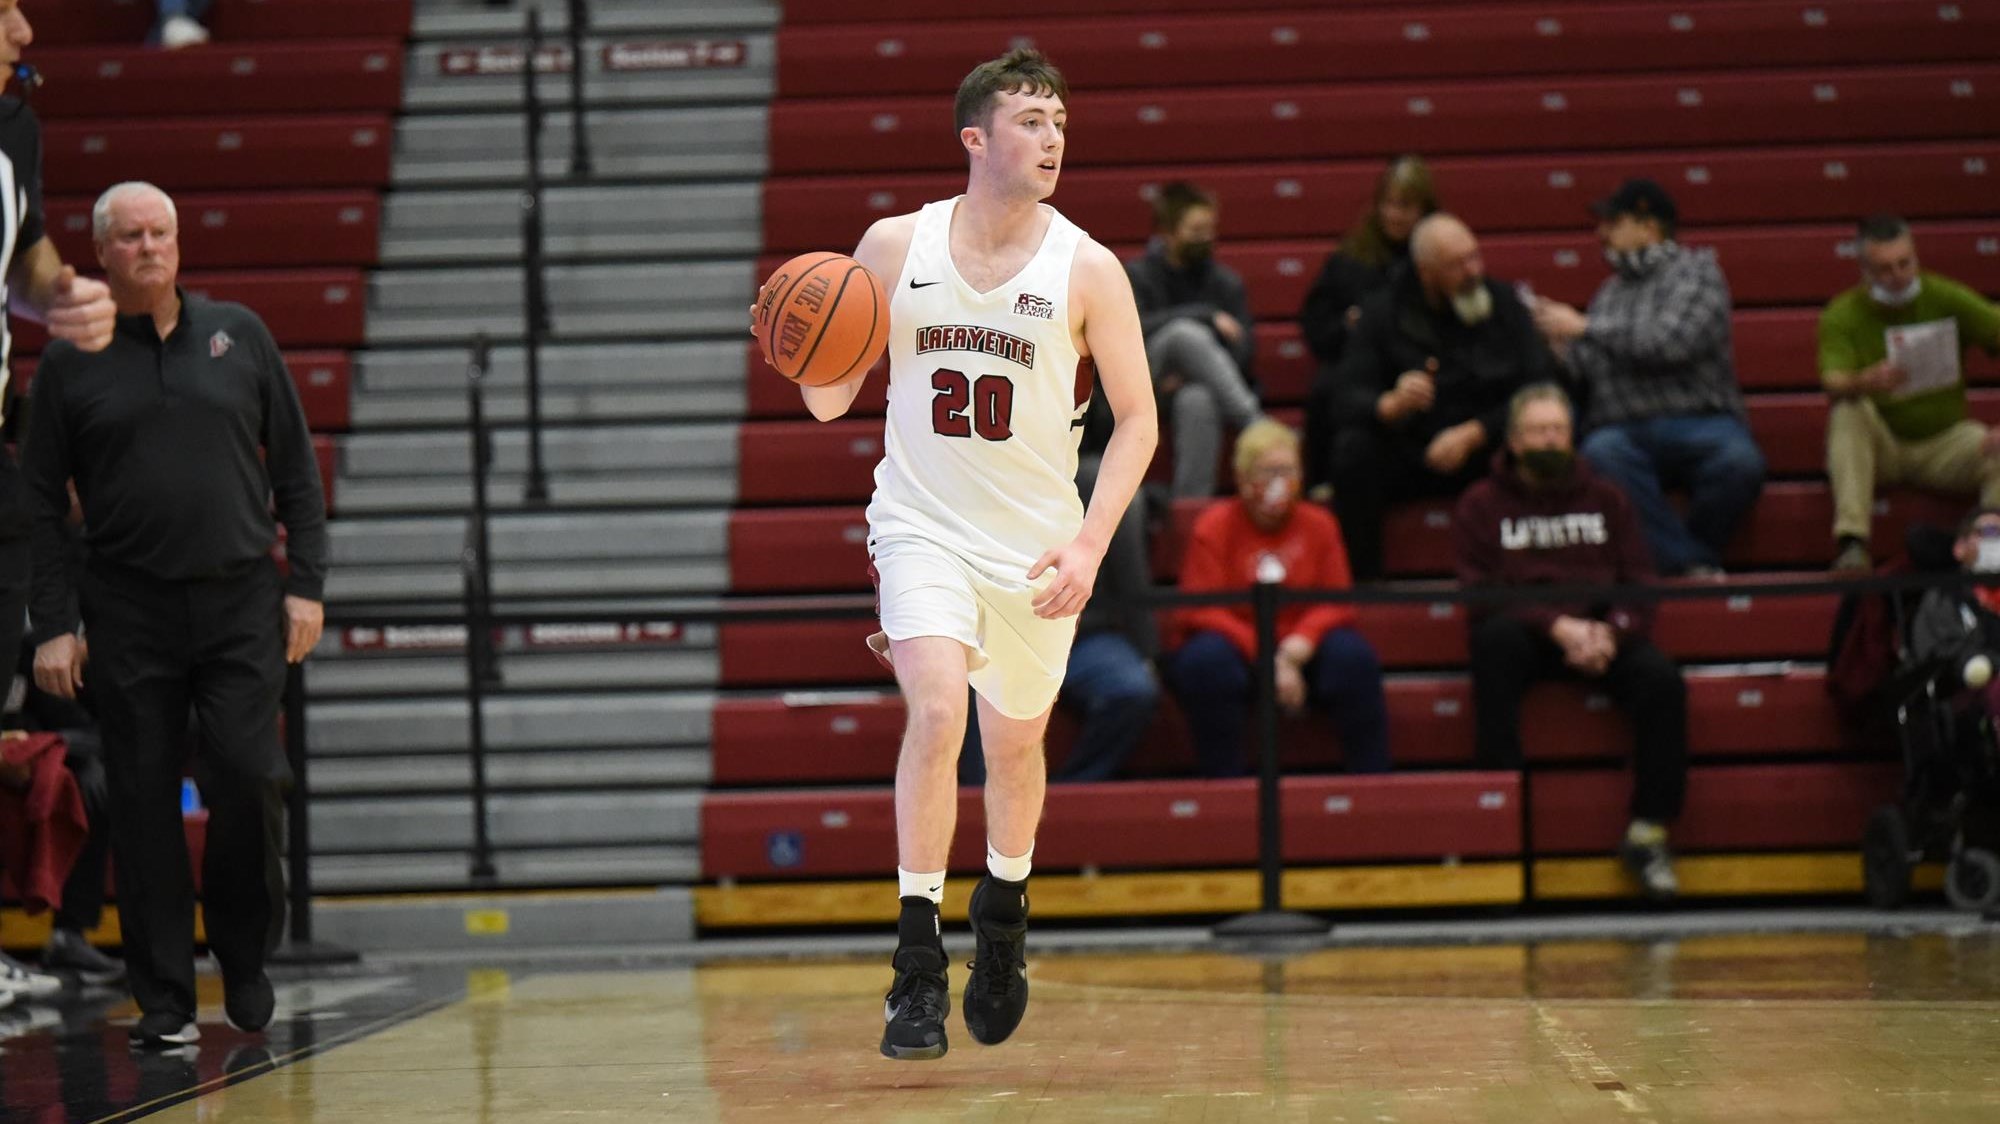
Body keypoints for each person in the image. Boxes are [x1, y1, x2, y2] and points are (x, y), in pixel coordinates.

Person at [776, 48, 1156, 1061]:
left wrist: (1088, 543)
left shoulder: (1087, 268)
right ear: (975, 139)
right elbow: (830, 400)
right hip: (919, 525)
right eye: (1031, 121)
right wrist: (802, 348)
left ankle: (1004, 913)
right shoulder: (894, 244)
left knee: (1017, 747)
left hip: (1034, 547)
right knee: (939, 709)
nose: (1052, 139)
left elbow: (1138, 421)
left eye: (1060, 124)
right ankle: (915, 961)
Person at [20, 182, 329, 1049]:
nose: (149, 247)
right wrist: (55, 622)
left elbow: (296, 472)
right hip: (127, 608)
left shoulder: (241, 335)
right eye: (130, 236)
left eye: (161, 232)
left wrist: (306, 584)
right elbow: (38, 503)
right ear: (101, 252)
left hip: (241, 602)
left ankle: (245, 956)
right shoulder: (69, 363)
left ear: (179, 242)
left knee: (249, 775)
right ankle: (163, 996)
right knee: (143, 798)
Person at [1454, 383, 1686, 900]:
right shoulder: (1480, 504)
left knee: (1662, 681)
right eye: (1538, 431)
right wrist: (1556, 625)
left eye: (1558, 430)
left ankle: (1648, 833)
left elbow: (1640, 583)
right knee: (1493, 642)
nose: (1549, 440)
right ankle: (1500, 828)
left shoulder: (1608, 498)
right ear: (1513, 441)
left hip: (1600, 631)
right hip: (1528, 635)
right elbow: (1481, 595)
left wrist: (1611, 631)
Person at [0, 0, 119, 1000]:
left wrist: (55, 295)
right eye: (6, 10)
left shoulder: (15, 126)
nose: (26, 32)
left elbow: (24, 254)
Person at [1531, 178, 1765, 578]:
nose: (1602, 233)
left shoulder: (1697, 274)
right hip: (1622, 429)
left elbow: (1670, 343)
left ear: (1649, 226)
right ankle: (1689, 563)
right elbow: (1589, 371)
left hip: (1698, 419)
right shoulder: (1608, 292)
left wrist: (1585, 328)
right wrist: (1560, 351)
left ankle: (1682, 558)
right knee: (1600, 454)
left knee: (1739, 462)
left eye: (1614, 222)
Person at [1324, 213, 1555, 580]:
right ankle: (1364, 587)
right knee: (1353, 450)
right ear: (1426, 272)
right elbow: (1344, 397)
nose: (1473, 271)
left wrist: (1476, 432)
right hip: (1412, 447)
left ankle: (1540, 578)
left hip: (1485, 445)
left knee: (1543, 439)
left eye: (1474, 257)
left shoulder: (1504, 303)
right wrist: (1389, 405)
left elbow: (1540, 385)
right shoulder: (1383, 312)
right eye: (1457, 265)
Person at [1165, 420, 1389, 776]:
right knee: (1205, 663)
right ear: (1242, 479)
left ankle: (1370, 784)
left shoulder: (1320, 524)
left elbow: (1336, 601)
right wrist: (1267, 654)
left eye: (1288, 471)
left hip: (1301, 648)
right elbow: (1199, 610)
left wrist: (1299, 645)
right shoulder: (1214, 526)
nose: (1280, 483)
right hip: (1238, 648)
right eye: (1269, 472)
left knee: (1354, 659)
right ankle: (1225, 788)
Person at [1821, 215, 2000, 572]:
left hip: (1945, 441)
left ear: (1916, 257)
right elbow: (1832, 380)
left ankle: (1991, 554)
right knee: (1847, 411)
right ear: (1865, 270)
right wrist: (1863, 381)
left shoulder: (1944, 296)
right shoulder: (1842, 314)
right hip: (1883, 445)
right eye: (1885, 269)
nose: (1898, 275)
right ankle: (1852, 544)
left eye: (1905, 263)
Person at [1300, 155, 1440, 497]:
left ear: (1424, 210)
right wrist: (1346, 327)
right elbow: (1316, 324)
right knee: (1327, 388)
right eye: (1388, 204)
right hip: (1361, 371)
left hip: (1421, 368)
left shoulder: (1438, 258)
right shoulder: (1350, 258)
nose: (1394, 215)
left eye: (1405, 206)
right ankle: (1320, 483)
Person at [1125, 181, 1261, 499]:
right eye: (1196, 230)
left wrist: (1192, 372)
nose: (1206, 238)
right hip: (1146, 379)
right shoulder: (1137, 275)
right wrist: (1205, 315)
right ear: (1167, 233)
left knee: (1198, 400)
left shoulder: (1225, 281)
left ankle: (1191, 508)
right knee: (1184, 333)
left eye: (1210, 229)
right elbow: (1131, 331)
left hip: (1198, 384)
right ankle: (1252, 421)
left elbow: (1245, 348)